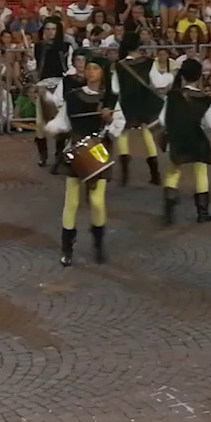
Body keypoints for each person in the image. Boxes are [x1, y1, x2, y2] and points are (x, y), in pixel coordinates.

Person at [45, 54, 125, 267]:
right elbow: (62, 121)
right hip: (77, 148)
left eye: (96, 68)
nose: (90, 72)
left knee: (97, 203)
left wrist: (109, 120)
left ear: (103, 73)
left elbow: (117, 130)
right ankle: (66, 247)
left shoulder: (112, 99)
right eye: (88, 67)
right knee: (71, 201)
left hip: (99, 150)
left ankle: (98, 244)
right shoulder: (72, 96)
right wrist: (52, 128)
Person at [160, 57, 211, 225]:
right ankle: (203, 213)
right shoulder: (205, 99)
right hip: (197, 139)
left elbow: (162, 120)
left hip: (177, 139)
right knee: (201, 173)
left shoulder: (172, 95)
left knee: (174, 171)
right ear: (199, 76)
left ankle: (169, 204)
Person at [111, 30, 171, 186]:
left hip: (127, 104)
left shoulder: (119, 65)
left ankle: (124, 174)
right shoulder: (149, 62)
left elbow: (115, 89)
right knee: (148, 134)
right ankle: (155, 173)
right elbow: (158, 82)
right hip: (145, 103)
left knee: (123, 135)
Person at [33, 17, 73, 170]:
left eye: (53, 29)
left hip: (61, 86)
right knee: (40, 124)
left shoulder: (66, 47)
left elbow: (70, 67)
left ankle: (59, 154)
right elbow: (35, 67)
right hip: (43, 87)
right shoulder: (38, 47)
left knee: (61, 123)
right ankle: (43, 155)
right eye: (47, 29)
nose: (50, 32)